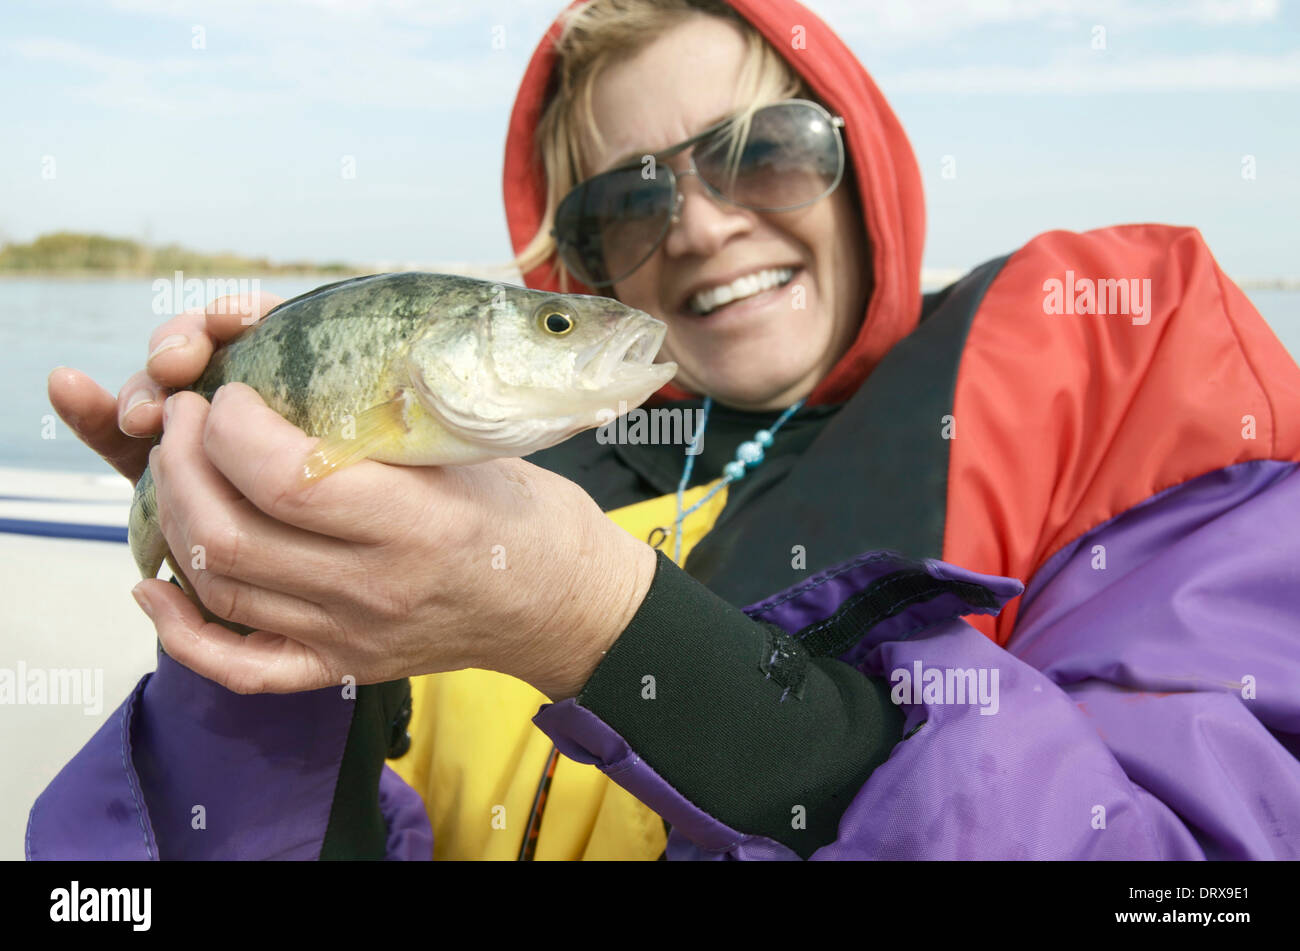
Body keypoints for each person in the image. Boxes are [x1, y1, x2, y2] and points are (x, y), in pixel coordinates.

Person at [31, 0, 1300, 860]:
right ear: (574, 262)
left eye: (763, 153)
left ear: (865, 165)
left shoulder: (1116, 377)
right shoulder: (485, 464)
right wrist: (264, 604)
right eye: (626, 201)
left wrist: (593, 621)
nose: (696, 227)